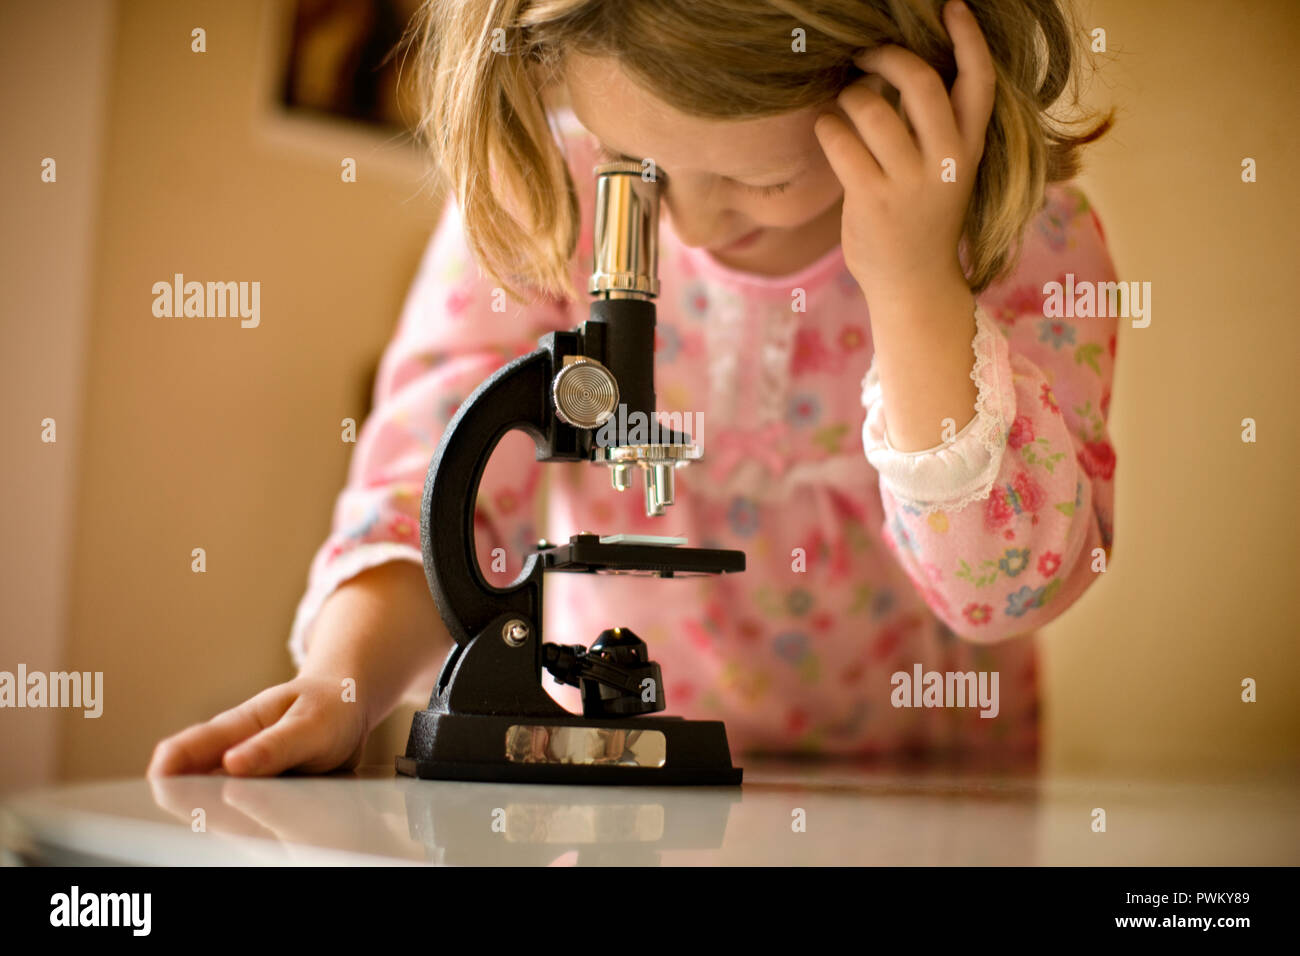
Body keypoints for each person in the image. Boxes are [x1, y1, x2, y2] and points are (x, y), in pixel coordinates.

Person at [149, 0, 1117, 777]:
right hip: (607, 790)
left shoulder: (1021, 243)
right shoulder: (547, 190)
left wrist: (916, 290)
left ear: (909, 80)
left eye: (757, 181)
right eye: (638, 168)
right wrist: (341, 681)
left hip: (925, 801)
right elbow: (431, 482)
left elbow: (1007, 586)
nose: (686, 223)